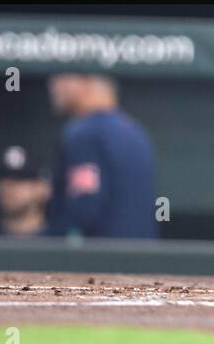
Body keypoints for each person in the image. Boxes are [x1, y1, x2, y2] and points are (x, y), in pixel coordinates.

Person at [46, 73, 158, 239]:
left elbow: (84, 209)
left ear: (86, 81)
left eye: (62, 77)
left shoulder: (85, 132)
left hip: (100, 259)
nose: (53, 86)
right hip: (140, 257)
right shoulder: (135, 130)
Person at [0, 146, 50, 236]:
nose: (7, 185)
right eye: (2, 177)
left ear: (43, 188)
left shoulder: (61, 242)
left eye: (19, 179)